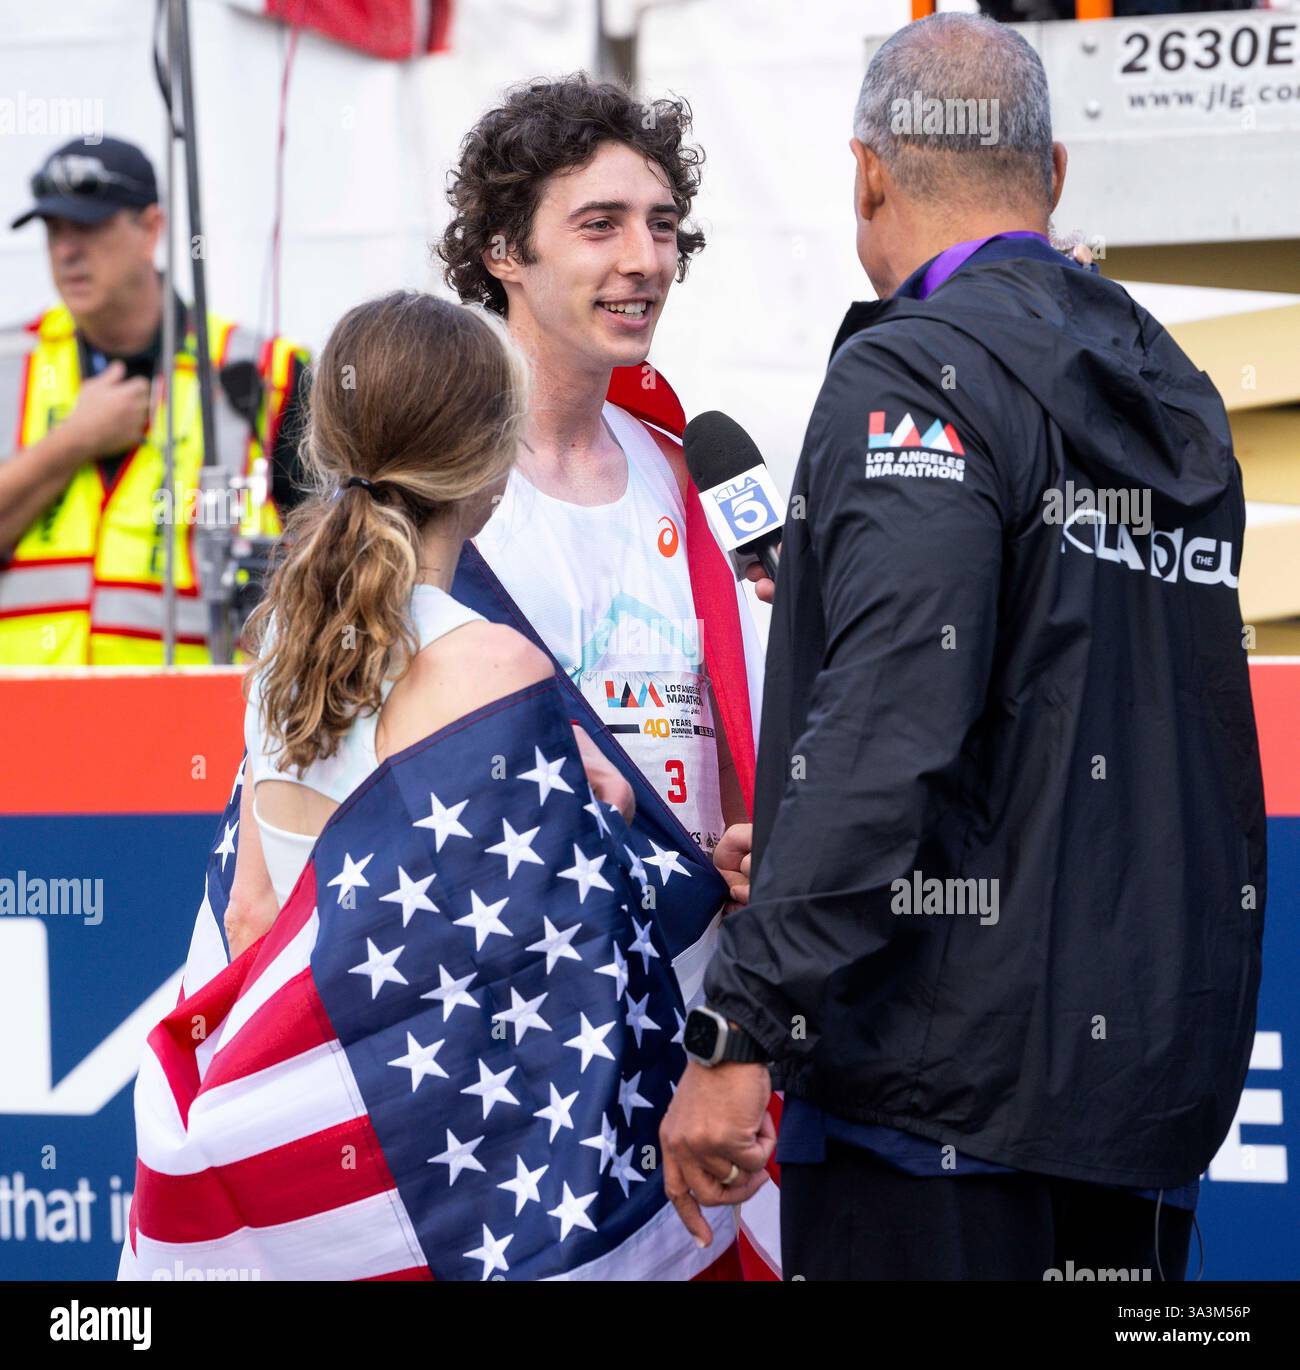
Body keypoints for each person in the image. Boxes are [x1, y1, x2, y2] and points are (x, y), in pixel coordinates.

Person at [661, 11, 1265, 1281]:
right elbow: (1055, 706)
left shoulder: (919, 375)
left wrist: (742, 1025)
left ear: (868, 172)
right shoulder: (1169, 385)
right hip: (1144, 1099)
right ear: (1049, 177)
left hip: (940, 1106)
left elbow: (889, 727)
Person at [119, 289, 738, 1281]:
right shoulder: (490, 669)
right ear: (492, 463)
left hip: (326, 1183)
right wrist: (673, 851)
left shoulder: (283, 642)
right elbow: (586, 948)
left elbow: (251, 916)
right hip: (465, 1181)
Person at [439, 75, 766, 859]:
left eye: (661, 227)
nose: (644, 260)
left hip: (687, 959)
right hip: (513, 956)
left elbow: (730, 730)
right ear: (504, 251)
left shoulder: (691, 469)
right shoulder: (431, 479)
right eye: (599, 226)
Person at [0, 136, 309, 665]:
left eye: (88, 227)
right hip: (26, 724)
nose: (66, 250)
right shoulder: (10, 365)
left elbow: (338, 556)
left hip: (199, 722)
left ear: (151, 228)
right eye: (54, 230)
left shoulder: (266, 373)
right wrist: (72, 442)